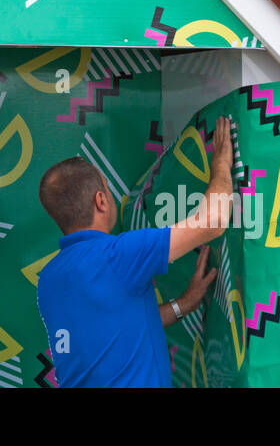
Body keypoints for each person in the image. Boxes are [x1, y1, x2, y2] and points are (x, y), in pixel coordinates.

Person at [35, 114, 235, 387]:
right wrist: (222, 162)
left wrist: (185, 303)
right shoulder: (117, 256)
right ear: (101, 200)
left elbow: (119, 329)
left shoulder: (48, 280)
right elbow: (214, 221)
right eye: (106, 186)